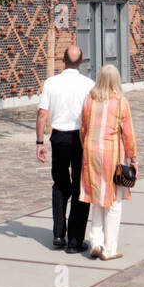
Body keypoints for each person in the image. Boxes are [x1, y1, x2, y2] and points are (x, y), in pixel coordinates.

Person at [36, 45, 94, 253]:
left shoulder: (51, 83)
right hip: (80, 138)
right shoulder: (89, 84)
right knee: (80, 187)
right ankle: (75, 241)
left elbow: (42, 114)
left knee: (60, 184)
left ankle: (59, 234)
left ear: (63, 60)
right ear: (82, 61)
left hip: (59, 137)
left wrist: (39, 142)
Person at [79, 65, 138, 260]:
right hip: (111, 153)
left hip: (91, 151)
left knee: (96, 196)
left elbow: (82, 128)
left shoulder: (89, 100)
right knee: (113, 201)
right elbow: (128, 133)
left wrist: (87, 146)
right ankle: (109, 248)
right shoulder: (120, 102)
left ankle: (95, 241)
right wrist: (133, 158)